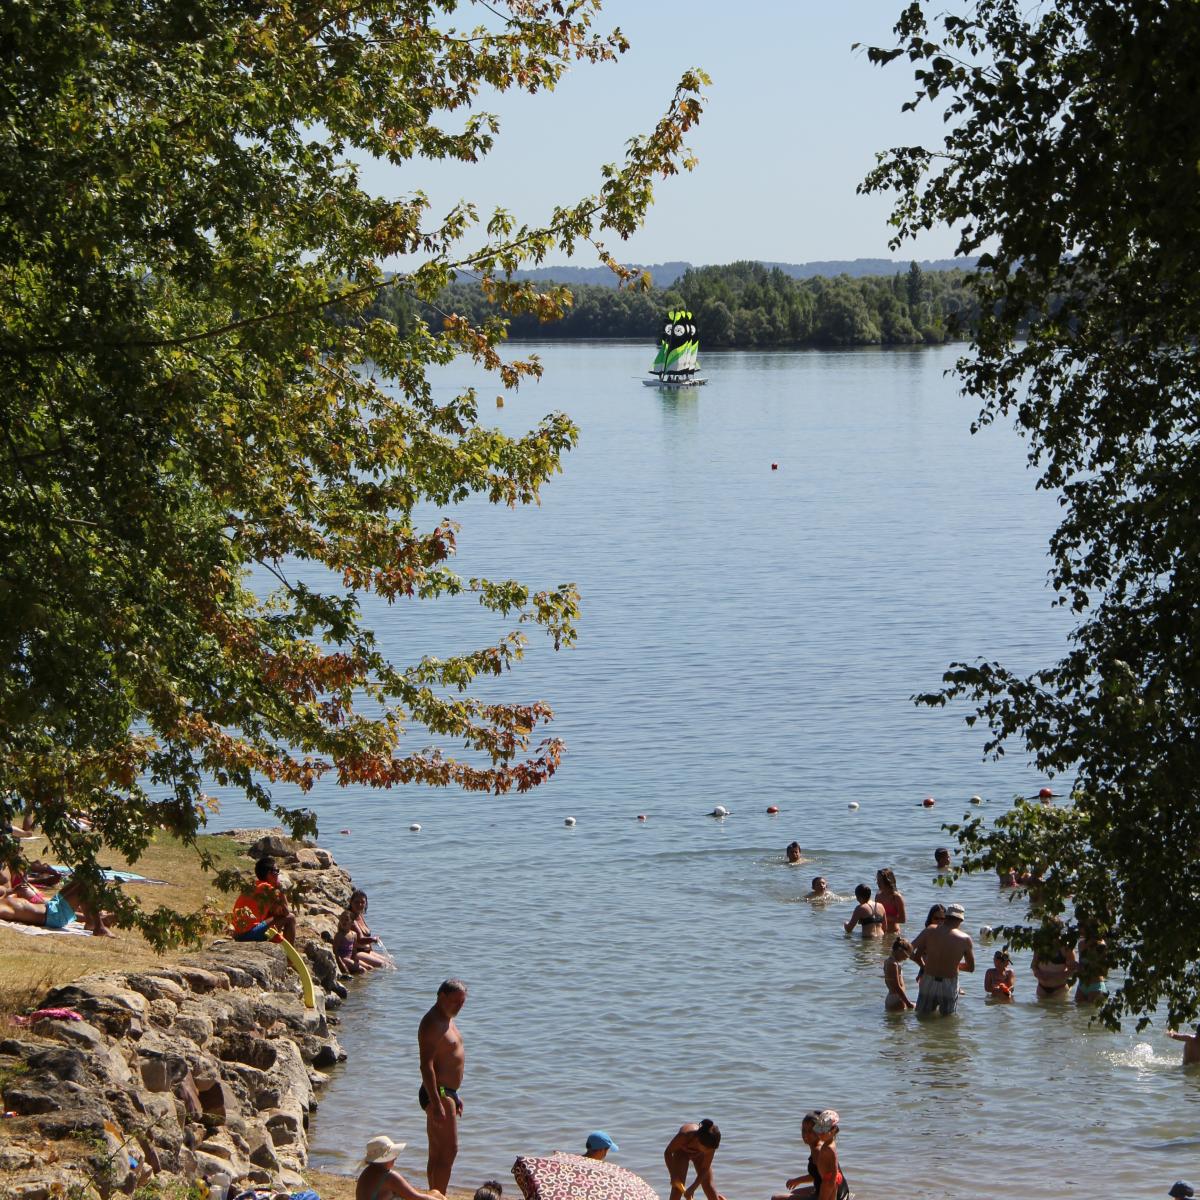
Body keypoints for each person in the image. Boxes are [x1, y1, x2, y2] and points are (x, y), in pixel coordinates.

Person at [418, 978, 467, 1194]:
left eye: (462, 1002)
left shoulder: (446, 1018)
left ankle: (434, 1193)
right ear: (442, 996)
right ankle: (440, 1194)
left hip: (446, 1092)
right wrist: (438, 1102)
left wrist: (455, 1095)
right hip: (437, 1092)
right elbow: (426, 1066)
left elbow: (448, 1059)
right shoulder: (432, 1023)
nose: (459, 1006)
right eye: (456, 1001)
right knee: (449, 1151)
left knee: (437, 1152)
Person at [0, 855, 113, 936]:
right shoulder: (4, 908)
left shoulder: (4, 900)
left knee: (82, 877)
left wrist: (10, 892)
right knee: (84, 885)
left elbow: (4, 891)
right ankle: (99, 927)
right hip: (53, 916)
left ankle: (92, 920)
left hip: (51, 907)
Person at [912, 901, 974, 1015]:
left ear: (946, 917)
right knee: (947, 1021)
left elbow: (909, 950)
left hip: (928, 980)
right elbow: (970, 968)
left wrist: (924, 966)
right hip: (949, 984)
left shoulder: (930, 930)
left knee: (922, 1017)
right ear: (961, 920)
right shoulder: (965, 939)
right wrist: (953, 965)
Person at [230, 857, 296, 944]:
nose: (278, 874)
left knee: (272, 914)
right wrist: (280, 887)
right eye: (277, 871)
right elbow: (286, 912)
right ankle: (290, 957)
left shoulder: (255, 886)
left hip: (238, 933)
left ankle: (276, 944)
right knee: (291, 918)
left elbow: (275, 912)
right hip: (246, 935)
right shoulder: (267, 888)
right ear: (269, 873)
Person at [355, 1135, 443, 1200]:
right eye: (392, 1155)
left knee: (435, 1193)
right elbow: (416, 1197)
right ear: (383, 1159)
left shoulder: (366, 1173)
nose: (395, 1158)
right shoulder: (389, 1177)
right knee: (436, 1194)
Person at [663, 1119, 725, 1200]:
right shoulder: (684, 1136)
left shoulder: (711, 1145)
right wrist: (673, 1175)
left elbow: (705, 1169)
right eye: (707, 1149)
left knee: (709, 1186)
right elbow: (667, 1152)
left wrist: (692, 1188)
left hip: (699, 1155)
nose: (709, 1151)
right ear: (698, 1140)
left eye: (711, 1149)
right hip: (681, 1152)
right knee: (677, 1188)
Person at [1031, 920, 1076, 999]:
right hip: (1041, 988)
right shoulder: (1040, 946)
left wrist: (1054, 976)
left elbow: (1073, 971)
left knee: (1058, 1011)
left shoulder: (1066, 949)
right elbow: (1034, 965)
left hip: (1059, 988)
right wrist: (1038, 973)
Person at [348, 889, 388, 968]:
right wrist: (373, 939)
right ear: (351, 902)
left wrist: (371, 949)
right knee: (384, 965)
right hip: (357, 953)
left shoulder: (360, 915)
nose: (360, 904)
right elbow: (360, 939)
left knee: (389, 962)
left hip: (367, 951)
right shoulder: (350, 918)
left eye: (362, 902)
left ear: (366, 903)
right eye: (356, 902)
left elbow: (366, 935)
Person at [885, 937, 915, 1010]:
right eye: (906, 956)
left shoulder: (888, 961)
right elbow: (897, 987)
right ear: (899, 951)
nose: (905, 959)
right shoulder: (893, 964)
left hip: (894, 998)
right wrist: (908, 1003)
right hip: (897, 999)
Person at [334, 909, 365, 975]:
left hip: (349, 959)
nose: (344, 921)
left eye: (346, 920)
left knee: (369, 967)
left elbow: (354, 950)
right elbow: (335, 952)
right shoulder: (339, 935)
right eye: (342, 919)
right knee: (363, 970)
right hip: (343, 959)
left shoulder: (354, 934)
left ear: (352, 922)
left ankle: (354, 982)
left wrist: (355, 961)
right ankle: (358, 984)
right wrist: (342, 964)